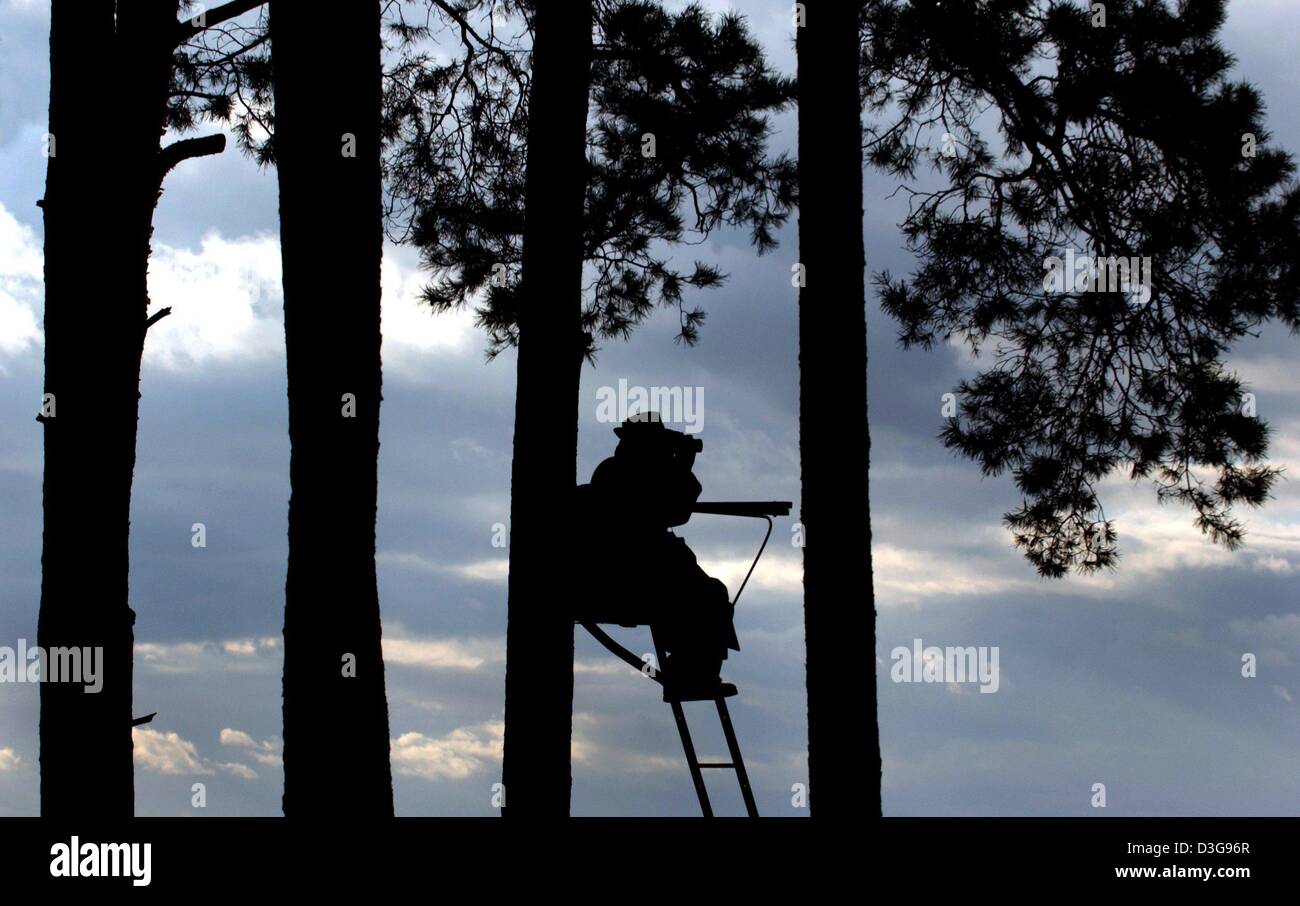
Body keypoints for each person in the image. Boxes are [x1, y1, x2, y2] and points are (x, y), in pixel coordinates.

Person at [579, 414, 738, 701]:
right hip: (637, 575)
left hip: (634, 572)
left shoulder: (618, 470)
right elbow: (677, 510)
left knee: (706, 594)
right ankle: (693, 677)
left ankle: (691, 673)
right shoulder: (630, 473)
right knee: (710, 596)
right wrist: (683, 465)